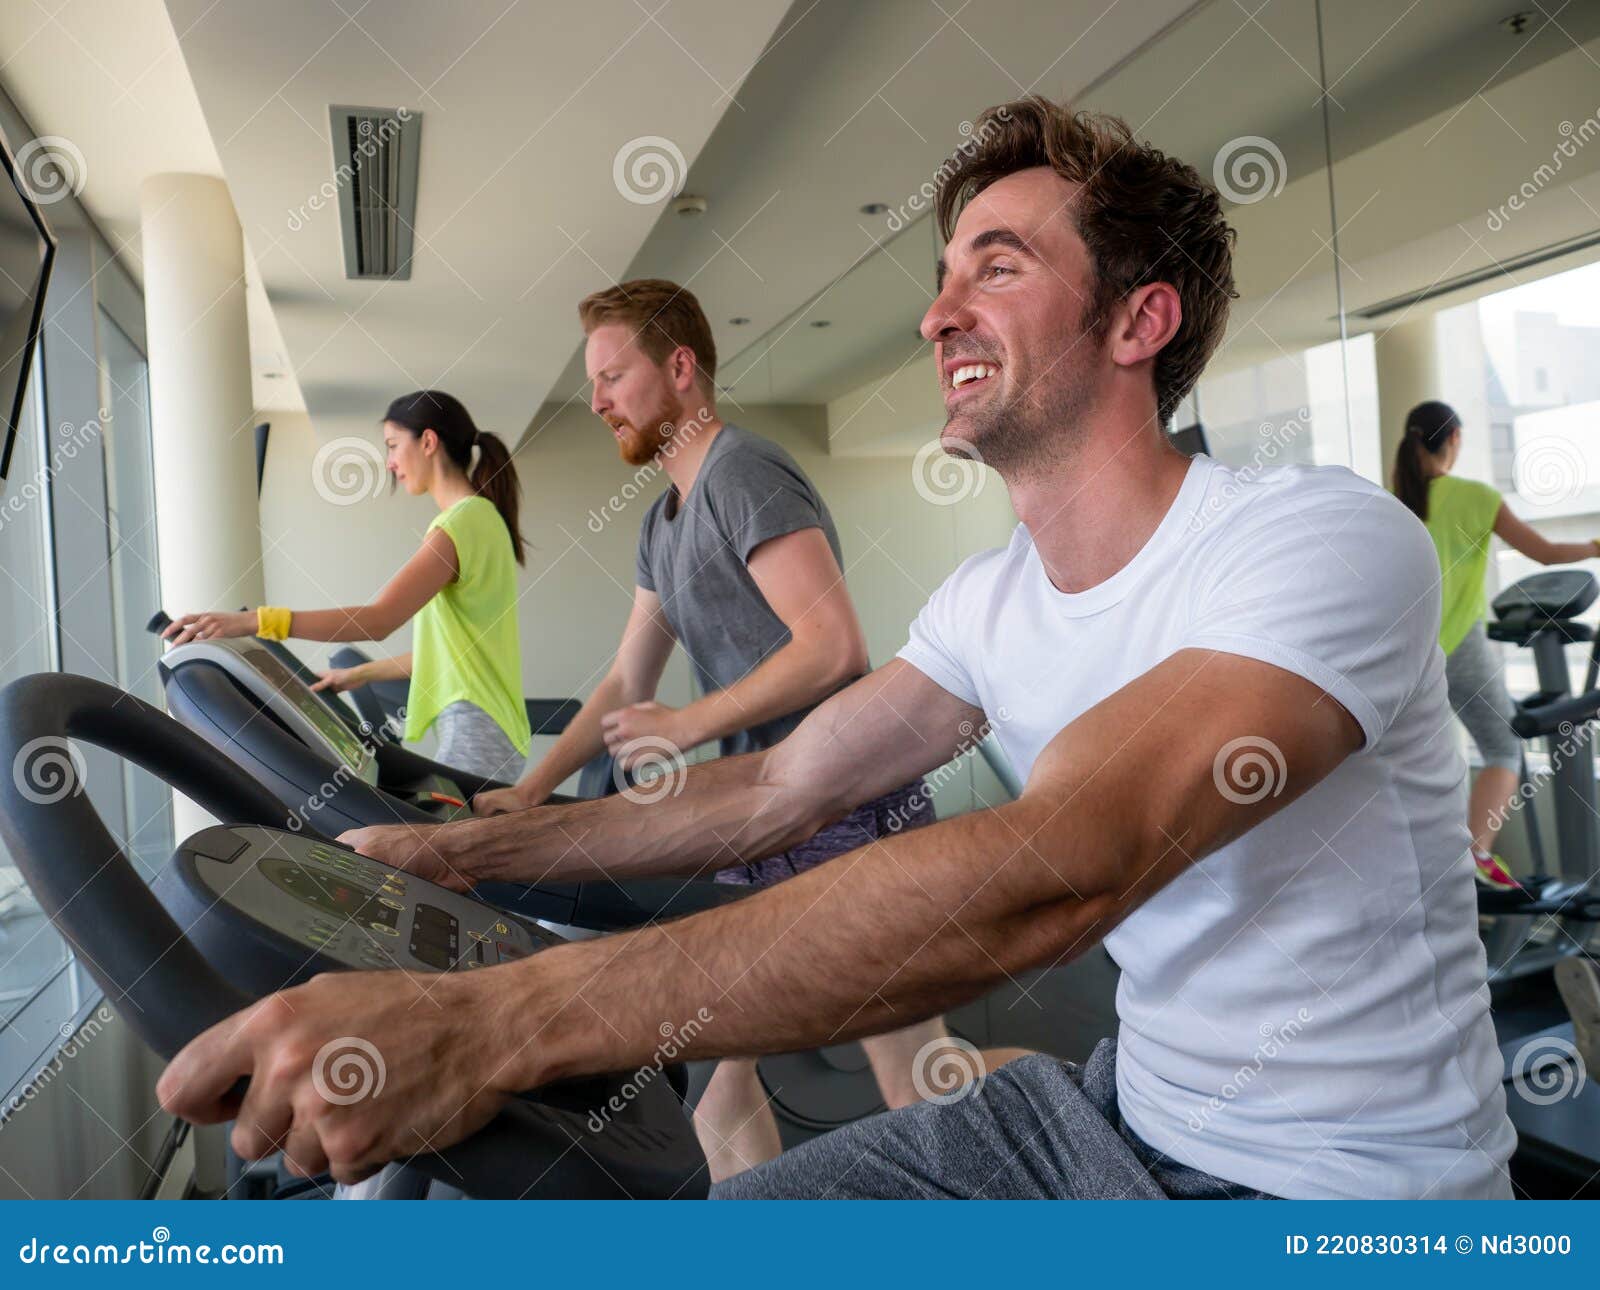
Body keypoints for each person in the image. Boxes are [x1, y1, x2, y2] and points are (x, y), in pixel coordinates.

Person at [158, 97, 1516, 1200]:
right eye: (942, 276)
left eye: (999, 264)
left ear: (1138, 321)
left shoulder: (1321, 543)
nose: (937, 314)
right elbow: (785, 785)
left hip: (1336, 1198)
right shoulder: (990, 602)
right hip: (1112, 1110)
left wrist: (495, 1021)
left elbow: (1061, 870)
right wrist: (469, 846)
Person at [474, 277, 955, 1179]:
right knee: (725, 1064)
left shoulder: (743, 473)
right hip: (755, 817)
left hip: (839, 802)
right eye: (595, 384)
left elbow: (832, 645)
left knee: (910, 1071)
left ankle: (1071, 1143)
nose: (598, 401)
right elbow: (626, 677)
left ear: (681, 368)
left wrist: (687, 724)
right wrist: (530, 795)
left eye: (614, 376)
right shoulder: (662, 523)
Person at [163, 390, 532, 781]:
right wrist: (359, 676)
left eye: (393, 446)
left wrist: (256, 621)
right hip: (490, 728)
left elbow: (379, 621)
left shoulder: (460, 524)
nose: (390, 463)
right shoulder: (483, 518)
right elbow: (454, 655)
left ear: (427, 441)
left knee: (431, 842)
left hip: (478, 731)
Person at [1391, 399, 1600, 889]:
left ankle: (1422, 870)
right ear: (1455, 440)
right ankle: (1474, 858)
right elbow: (1545, 553)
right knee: (1504, 747)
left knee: (1421, 761)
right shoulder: (1475, 496)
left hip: (1407, 651)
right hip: (1461, 642)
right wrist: (1596, 546)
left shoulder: (1393, 500)